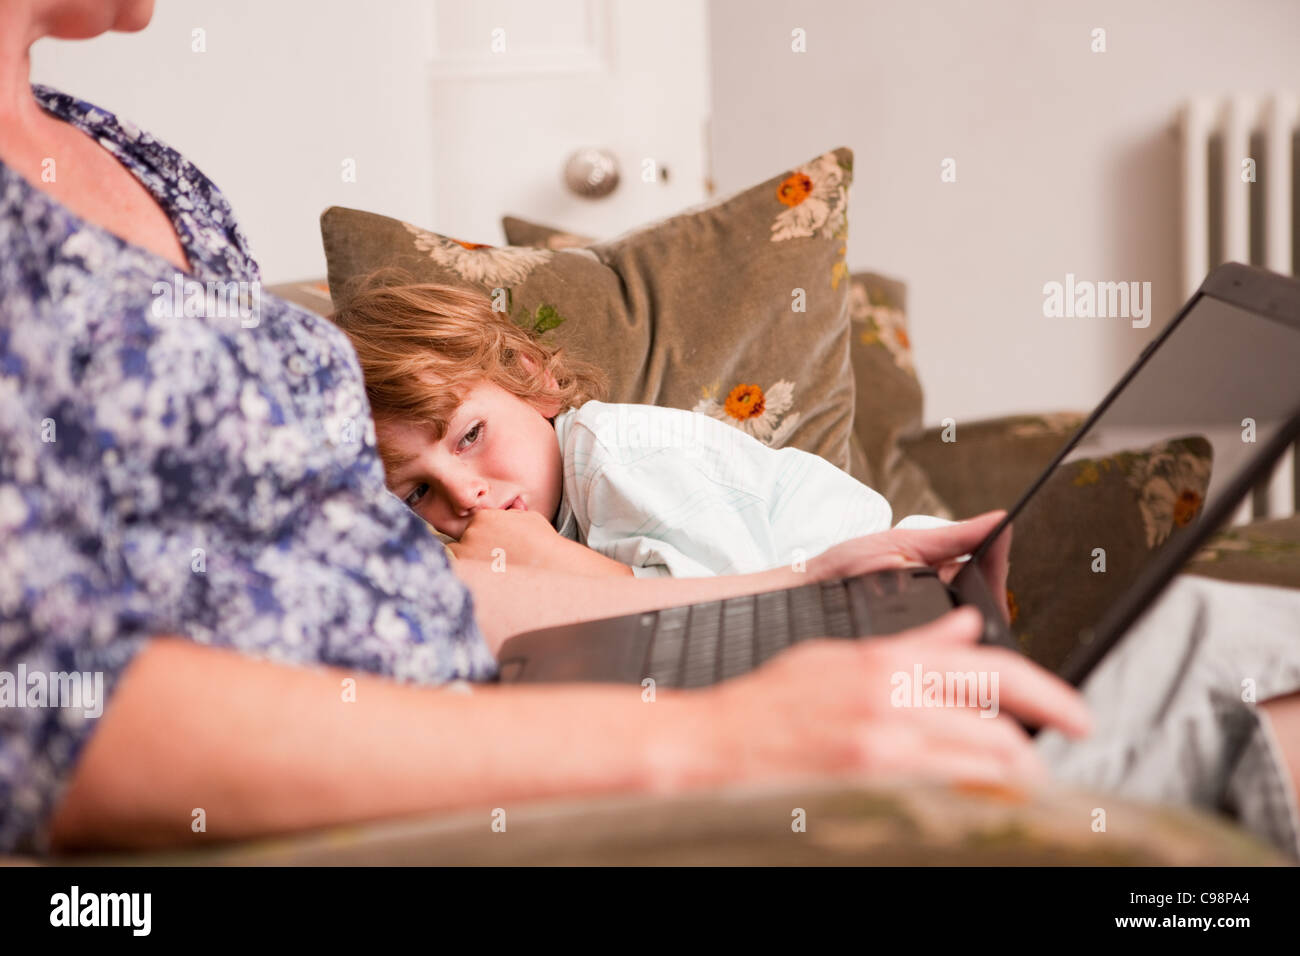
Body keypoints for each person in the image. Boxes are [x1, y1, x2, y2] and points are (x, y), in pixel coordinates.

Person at [0, 0, 1296, 862]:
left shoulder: (127, 161)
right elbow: (47, 706)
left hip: (534, 687)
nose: (457, 491)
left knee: (1123, 639)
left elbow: (417, 583)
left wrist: (795, 584)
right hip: (441, 777)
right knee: (1137, 677)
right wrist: (725, 738)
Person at [329, 273, 958, 580]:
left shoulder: (613, 460)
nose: (465, 496)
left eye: (470, 436)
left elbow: (726, 607)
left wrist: (549, 563)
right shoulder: (530, 525)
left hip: (904, 587)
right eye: (417, 493)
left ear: (531, 380)